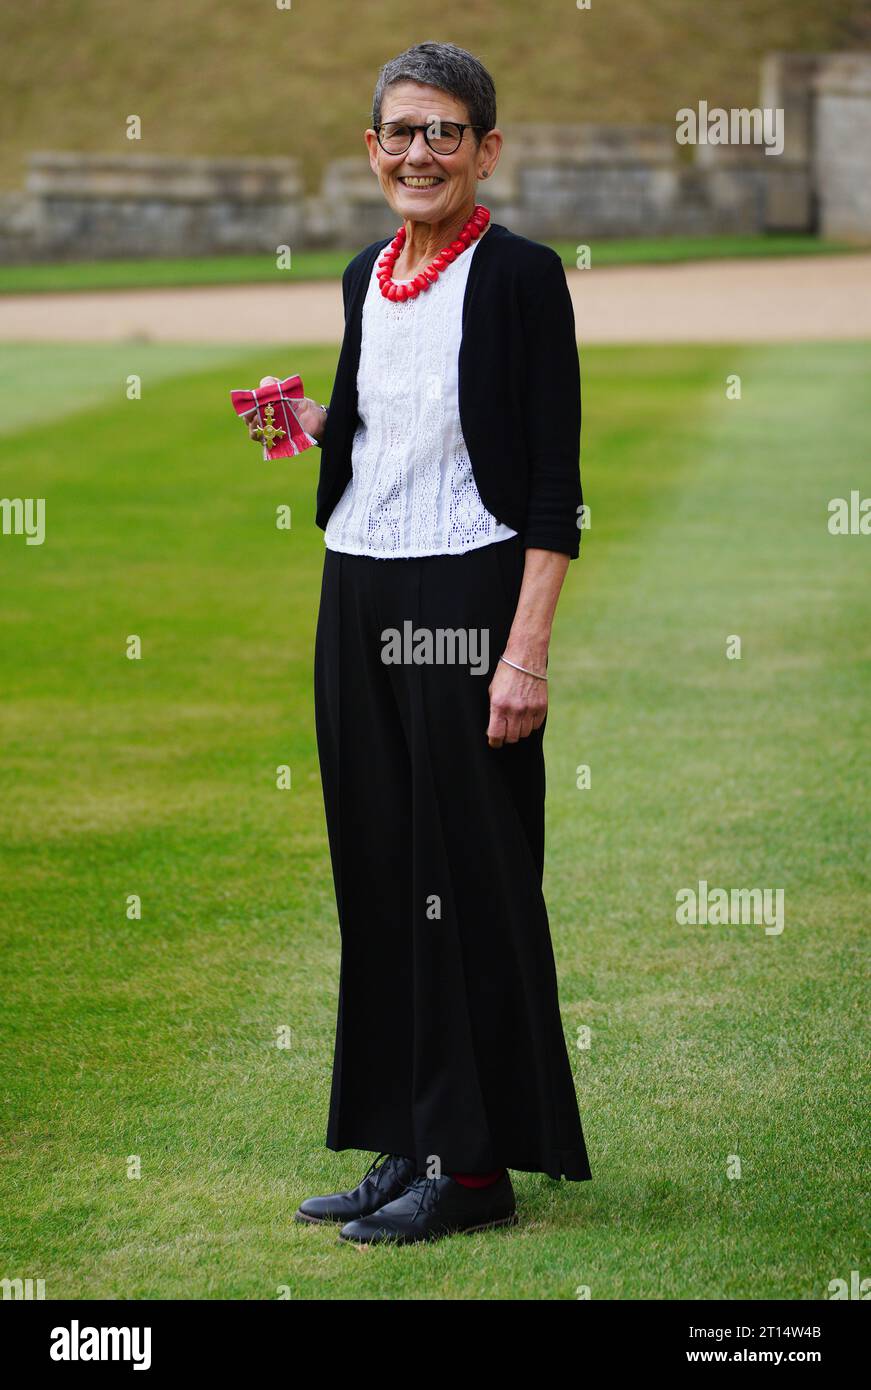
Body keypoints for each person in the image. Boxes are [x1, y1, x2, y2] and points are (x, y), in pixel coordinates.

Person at [245, 41, 592, 1246]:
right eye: (399, 132)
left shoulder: (521, 277)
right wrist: (314, 422)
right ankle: (410, 1136)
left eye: (444, 132)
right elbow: (395, 419)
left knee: (464, 875)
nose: (418, 152)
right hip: (357, 586)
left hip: (463, 591)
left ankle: (479, 1166)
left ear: (485, 149)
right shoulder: (361, 276)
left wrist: (524, 647)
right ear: (371, 148)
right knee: (383, 873)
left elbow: (554, 480)